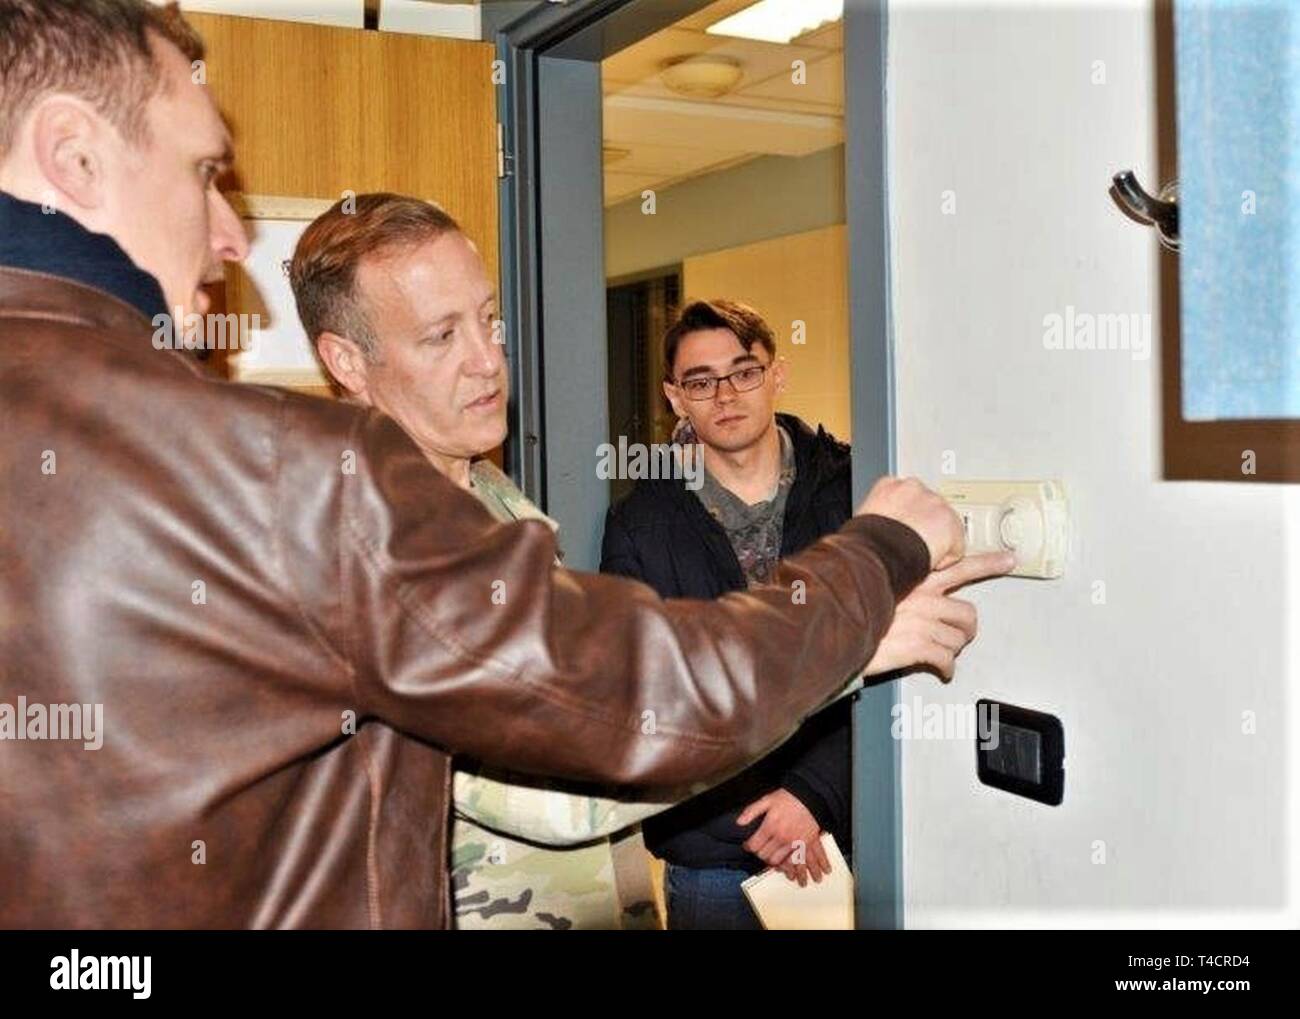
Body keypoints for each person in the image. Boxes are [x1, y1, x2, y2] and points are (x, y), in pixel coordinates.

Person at [0, 0, 990, 929]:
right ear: (74, 156)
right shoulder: (310, 483)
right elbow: (609, 722)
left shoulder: (483, 486)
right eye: (201, 172)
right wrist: (871, 573)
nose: (229, 231)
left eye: (487, 321)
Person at [291, 194, 680, 929]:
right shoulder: (360, 552)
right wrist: (830, 647)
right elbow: (569, 786)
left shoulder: (495, 494)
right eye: (441, 335)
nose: (488, 359)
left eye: (487, 318)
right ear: (347, 361)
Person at [602, 299, 1009, 929]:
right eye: (700, 382)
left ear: (776, 375)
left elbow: (894, 665)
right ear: (675, 398)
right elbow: (646, 691)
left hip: (845, 835)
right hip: (712, 856)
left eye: (744, 371)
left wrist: (812, 796)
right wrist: (757, 818)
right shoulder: (640, 523)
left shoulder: (855, 492)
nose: (725, 394)